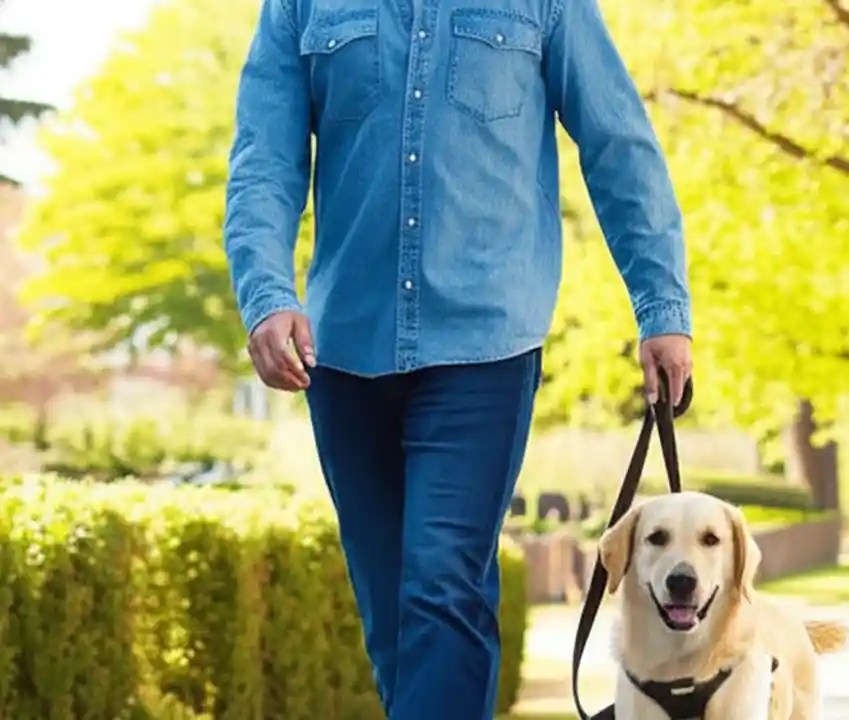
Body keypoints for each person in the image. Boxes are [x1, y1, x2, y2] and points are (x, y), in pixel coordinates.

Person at [222, 0, 692, 717]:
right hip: (344, 351)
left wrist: (661, 308)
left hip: (485, 347)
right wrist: (266, 294)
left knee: (443, 584)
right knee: (393, 618)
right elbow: (264, 160)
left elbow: (617, 141)